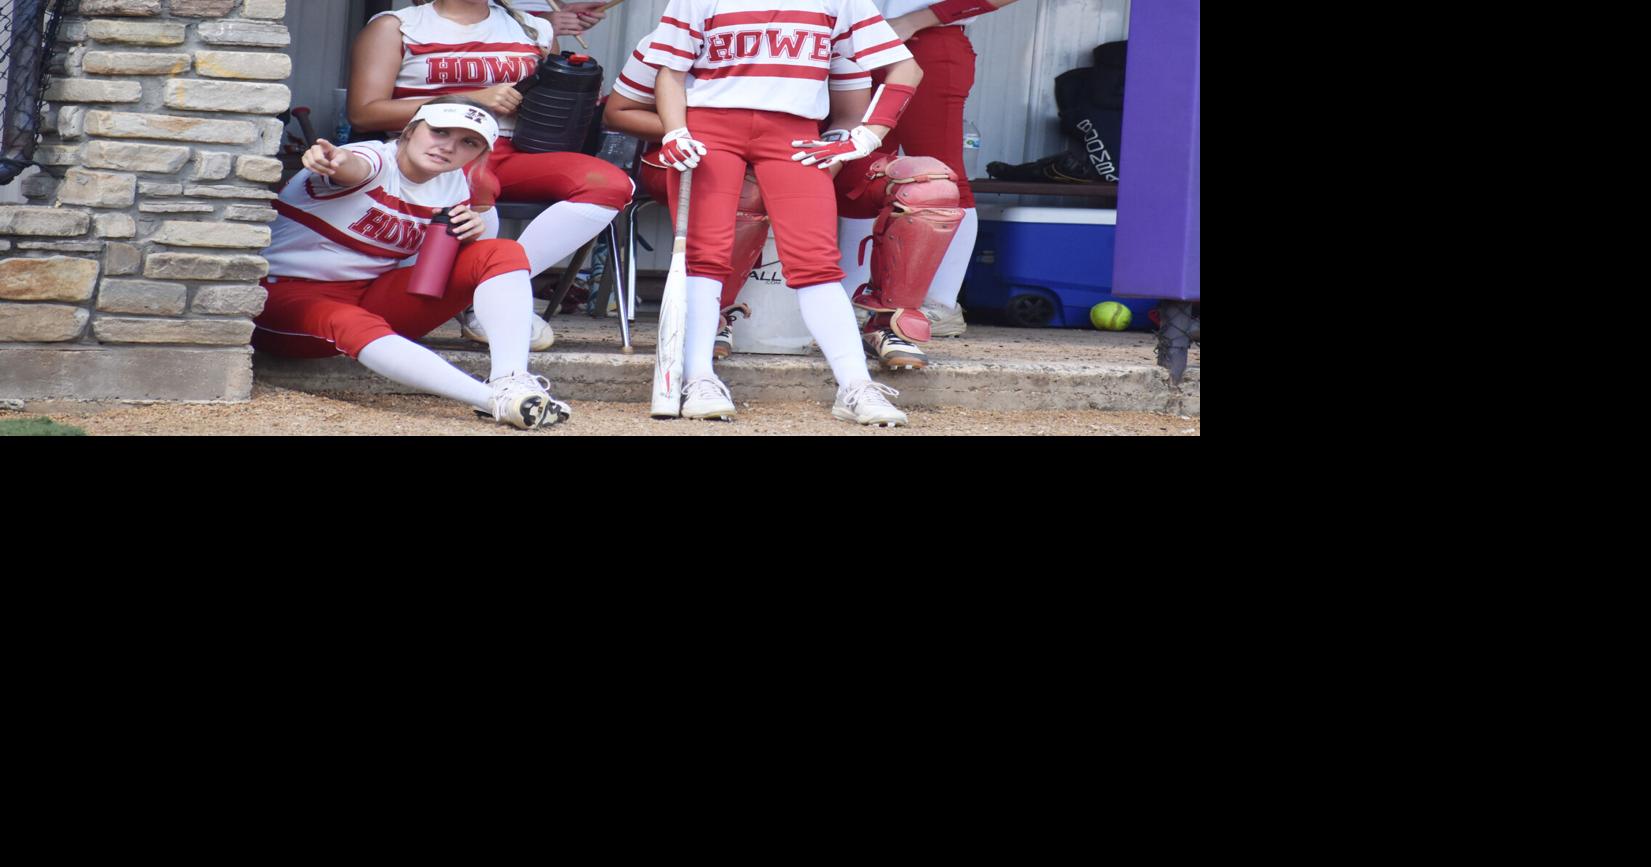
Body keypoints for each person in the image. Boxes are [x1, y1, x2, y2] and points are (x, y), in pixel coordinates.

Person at [640, 0, 924, 426]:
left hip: (794, 133)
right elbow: (670, 72)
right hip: (710, 127)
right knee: (706, 255)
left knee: (817, 262)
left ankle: (855, 385)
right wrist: (676, 129)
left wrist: (866, 136)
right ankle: (698, 376)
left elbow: (907, 68)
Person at [254, 98, 571, 430]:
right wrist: (335, 160)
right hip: (286, 297)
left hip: (371, 294)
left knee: (500, 251)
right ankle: (495, 402)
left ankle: (512, 380)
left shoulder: (453, 184)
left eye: (468, 142)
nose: (448, 147)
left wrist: (468, 235)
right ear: (409, 131)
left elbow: (431, 266)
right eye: (439, 131)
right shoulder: (373, 158)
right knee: (349, 320)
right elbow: (353, 166)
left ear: (479, 155)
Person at [348, 0, 634, 351]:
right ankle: (483, 300)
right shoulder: (397, 27)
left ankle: (492, 291)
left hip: (516, 148)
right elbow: (364, 113)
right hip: (441, 151)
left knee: (611, 185)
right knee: (477, 183)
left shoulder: (532, 28)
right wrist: (468, 98)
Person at [835, 0, 1019, 369]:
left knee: (942, 176)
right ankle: (851, 299)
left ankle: (940, 303)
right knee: (858, 170)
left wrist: (916, 19)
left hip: (927, 39)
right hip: (850, 42)